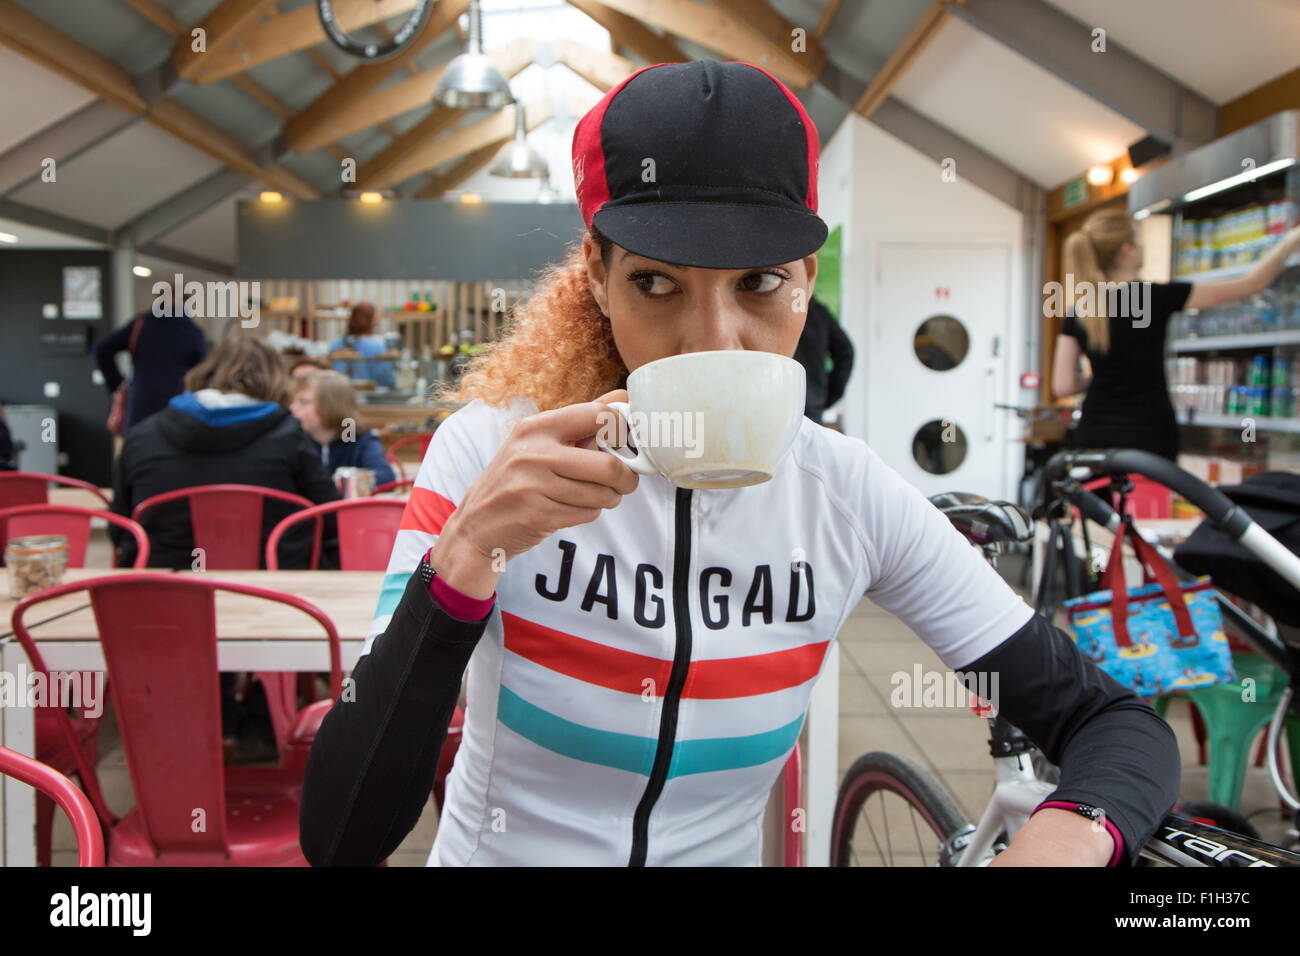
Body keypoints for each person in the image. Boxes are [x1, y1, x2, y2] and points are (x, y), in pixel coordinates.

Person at [300, 61, 1179, 868]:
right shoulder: (491, 452)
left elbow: (1112, 721)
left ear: (807, 278)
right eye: (656, 284)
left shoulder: (846, 492)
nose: (714, 341)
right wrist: (463, 559)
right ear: (598, 280)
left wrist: (1070, 837)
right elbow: (344, 834)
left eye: (759, 284)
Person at [1051, 208, 1300, 461]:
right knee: (1146, 502)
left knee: (1097, 503)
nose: (1142, 245)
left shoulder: (1080, 311)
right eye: (1138, 239)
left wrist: (1101, 378)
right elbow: (1251, 284)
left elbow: (1063, 385)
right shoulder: (1156, 297)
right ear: (1126, 250)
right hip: (1149, 439)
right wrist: (1290, 241)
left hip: (1094, 439)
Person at [110, 337, 340, 570]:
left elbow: (118, 528)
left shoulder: (142, 437)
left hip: (165, 589)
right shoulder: (291, 439)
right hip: (274, 592)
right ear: (276, 382)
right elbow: (333, 519)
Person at [92, 305, 208, 434]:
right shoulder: (192, 332)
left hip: (141, 404)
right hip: (177, 405)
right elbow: (202, 372)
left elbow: (102, 350)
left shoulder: (141, 325)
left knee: (138, 449)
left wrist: (117, 383)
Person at [290, 370, 396, 487]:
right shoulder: (293, 438)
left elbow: (386, 477)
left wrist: (341, 483)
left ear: (331, 406)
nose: (292, 408)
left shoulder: (356, 437)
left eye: (303, 402)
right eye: (293, 401)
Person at [793, 294, 854, 422]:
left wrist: (828, 395)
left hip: (801, 405)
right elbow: (846, 352)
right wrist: (825, 395)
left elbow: (845, 352)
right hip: (812, 404)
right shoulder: (819, 313)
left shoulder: (818, 313)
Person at [329, 303, 394, 387]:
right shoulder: (378, 345)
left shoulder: (337, 343)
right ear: (371, 321)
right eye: (375, 318)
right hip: (372, 394)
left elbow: (331, 373)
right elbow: (385, 378)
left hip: (342, 393)